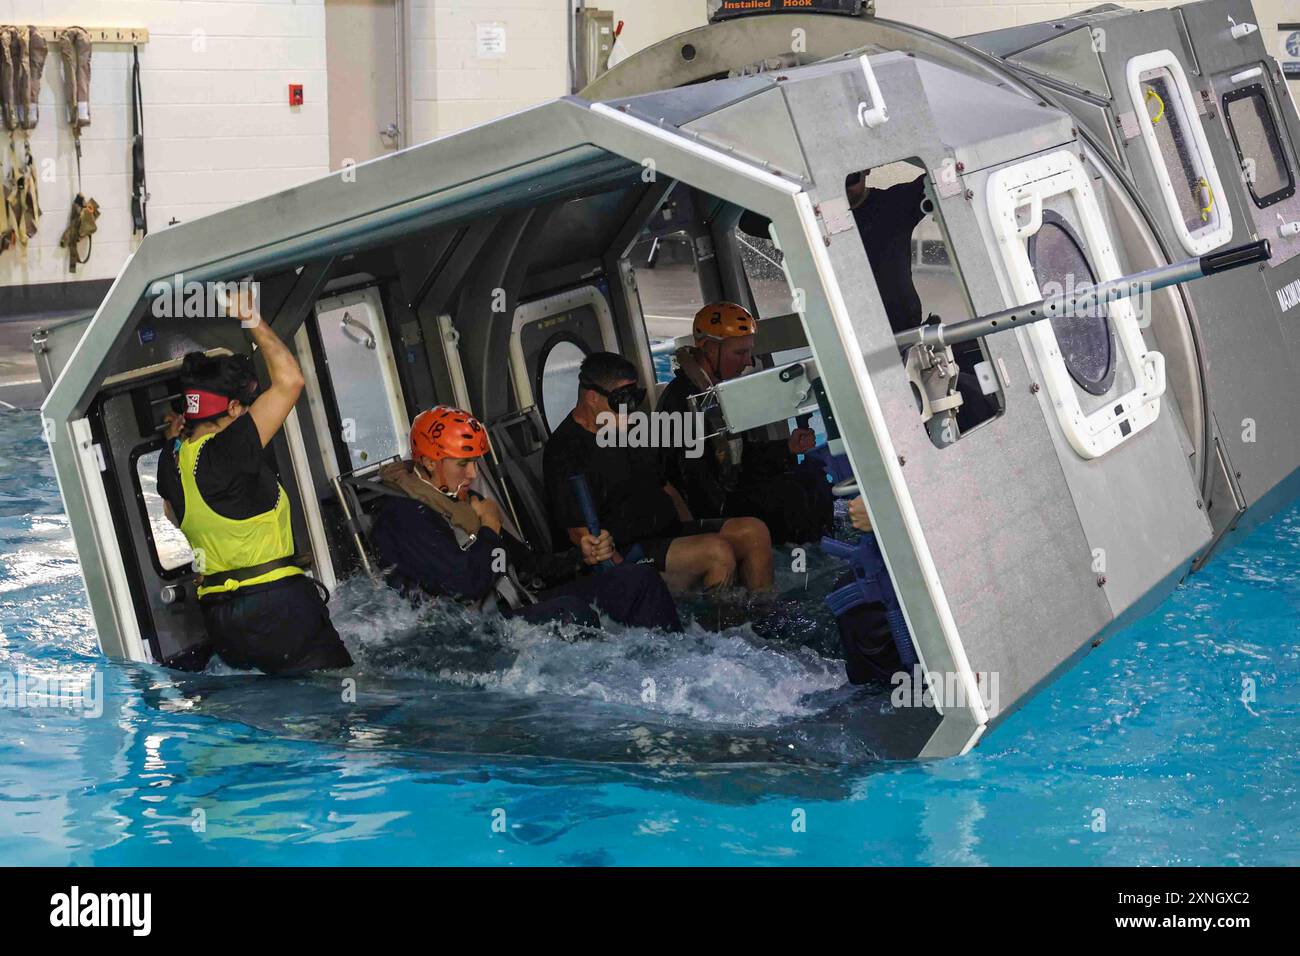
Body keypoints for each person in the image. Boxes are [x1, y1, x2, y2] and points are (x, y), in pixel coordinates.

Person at [158, 298, 352, 675]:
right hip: (278, 609)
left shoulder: (172, 457)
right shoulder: (229, 449)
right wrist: (251, 317)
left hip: (224, 620)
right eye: (245, 409)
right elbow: (290, 381)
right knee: (341, 709)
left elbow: (173, 512)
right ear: (232, 409)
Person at [370, 405, 681, 631]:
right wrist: (490, 529)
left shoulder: (462, 502)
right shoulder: (404, 515)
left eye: (476, 463)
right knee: (570, 613)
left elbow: (528, 567)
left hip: (517, 603)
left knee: (638, 579)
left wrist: (578, 558)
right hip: (471, 633)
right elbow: (467, 583)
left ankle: (671, 670)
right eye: (462, 464)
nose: (474, 474)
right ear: (427, 462)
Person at [543, 351, 773, 594]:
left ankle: (761, 621)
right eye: (622, 399)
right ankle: (725, 631)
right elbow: (577, 531)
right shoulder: (566, 450)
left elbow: (665, 487)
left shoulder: (632, 430)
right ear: (592, 397)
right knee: (716, 552)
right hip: (630, 550)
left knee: (753, 531)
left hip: (665, 534)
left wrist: (691, 532)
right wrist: (623, 574)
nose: (630, 408)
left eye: (636, 397)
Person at [657, 302, 834, 545]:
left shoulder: (720, 391)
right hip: (711, 510)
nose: (749, 361)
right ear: (709, 348)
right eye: (740, 353)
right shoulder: (682, 401)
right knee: (788, 496)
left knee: (813, 478)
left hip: (733, 491)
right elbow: (694, 485)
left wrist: (786, 448)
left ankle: (829, 552)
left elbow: (741, 457)